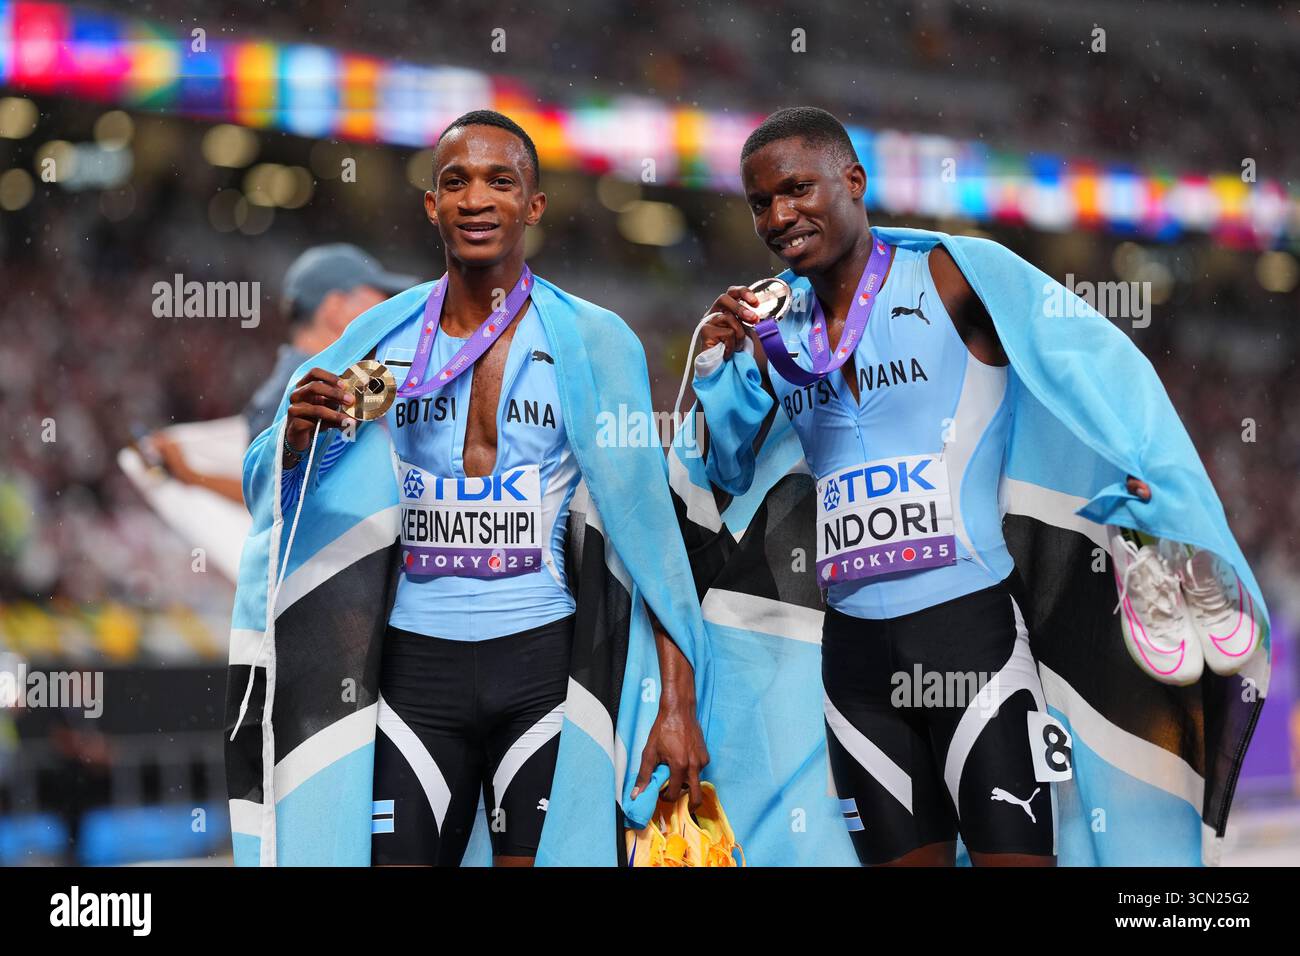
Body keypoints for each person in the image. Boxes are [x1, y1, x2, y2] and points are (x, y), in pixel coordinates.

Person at [687, 107, 1262, 866]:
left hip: (972, 640)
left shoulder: (952, 275)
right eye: (761, 202)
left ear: (853, 181)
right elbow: (725, 471)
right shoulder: (774, 326)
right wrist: (715, 373)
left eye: (797, 189)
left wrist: (1151, 475)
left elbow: (1083, 358)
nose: (780, 216)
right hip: (854, 666)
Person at [269, 110, 708, 867]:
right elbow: (293, 498)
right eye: (455, 181)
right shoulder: (387, 341)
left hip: (541, 669)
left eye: (500, 181)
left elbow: (651, 536)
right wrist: (296, 444)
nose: (477, 198)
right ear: (431, 205)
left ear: (533, 204)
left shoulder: (593, 343)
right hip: (414, 674)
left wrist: (677, 701)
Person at [149, 244, 414, 504]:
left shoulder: (337, 382)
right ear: (335, 308)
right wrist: (192, 476)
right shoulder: (291, 392)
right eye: (378, 296)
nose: (386, 308)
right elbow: (270, 498)